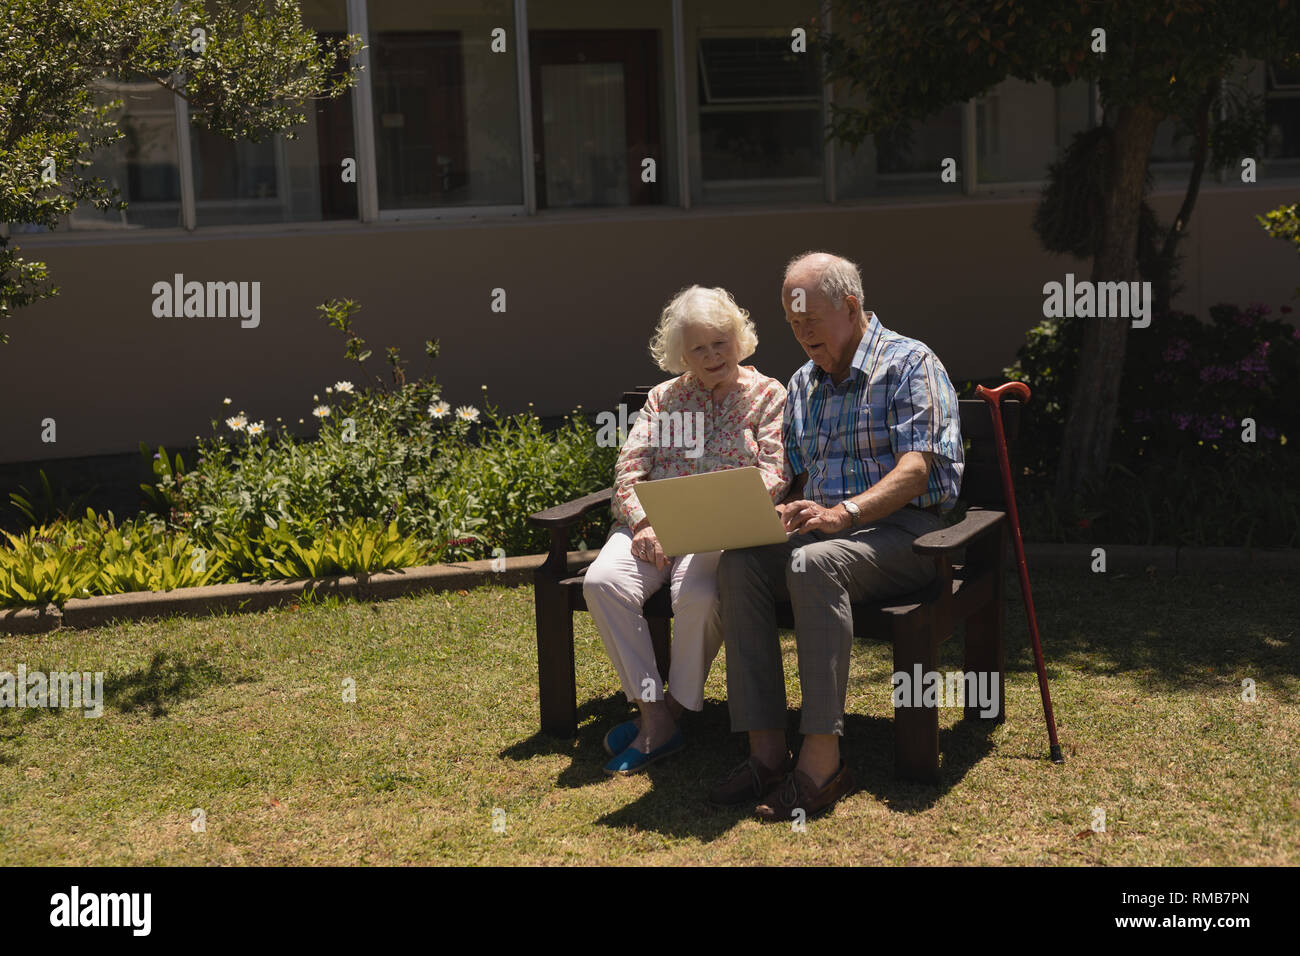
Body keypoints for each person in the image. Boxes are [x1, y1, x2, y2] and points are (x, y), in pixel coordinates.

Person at [708, 251, 964, 819]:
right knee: (739, 563)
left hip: (908, 535)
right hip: (826, 533)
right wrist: (765, 509)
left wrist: (845, 513)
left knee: (813, 564)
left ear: (850, 306)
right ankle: (767, 753)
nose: (801, 334)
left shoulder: (910, 364)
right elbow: (794, 473)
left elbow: (917, 469)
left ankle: (821, 764)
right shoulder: (804, 383)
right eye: (793, 323)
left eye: (811, 321)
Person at [583, 285, 791, 775]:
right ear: (681, 354)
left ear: (739, 338)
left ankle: (669, 718)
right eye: (698, 348)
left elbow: (775, 473)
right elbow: (630, 470)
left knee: (696, 597)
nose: (713, 355)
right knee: (603, 583)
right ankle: (654, 715)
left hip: (721, 532)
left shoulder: (769, 395)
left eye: (721, 342)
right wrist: (646, 523)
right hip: (651, 530)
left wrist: (716, 519)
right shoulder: (663, 398)